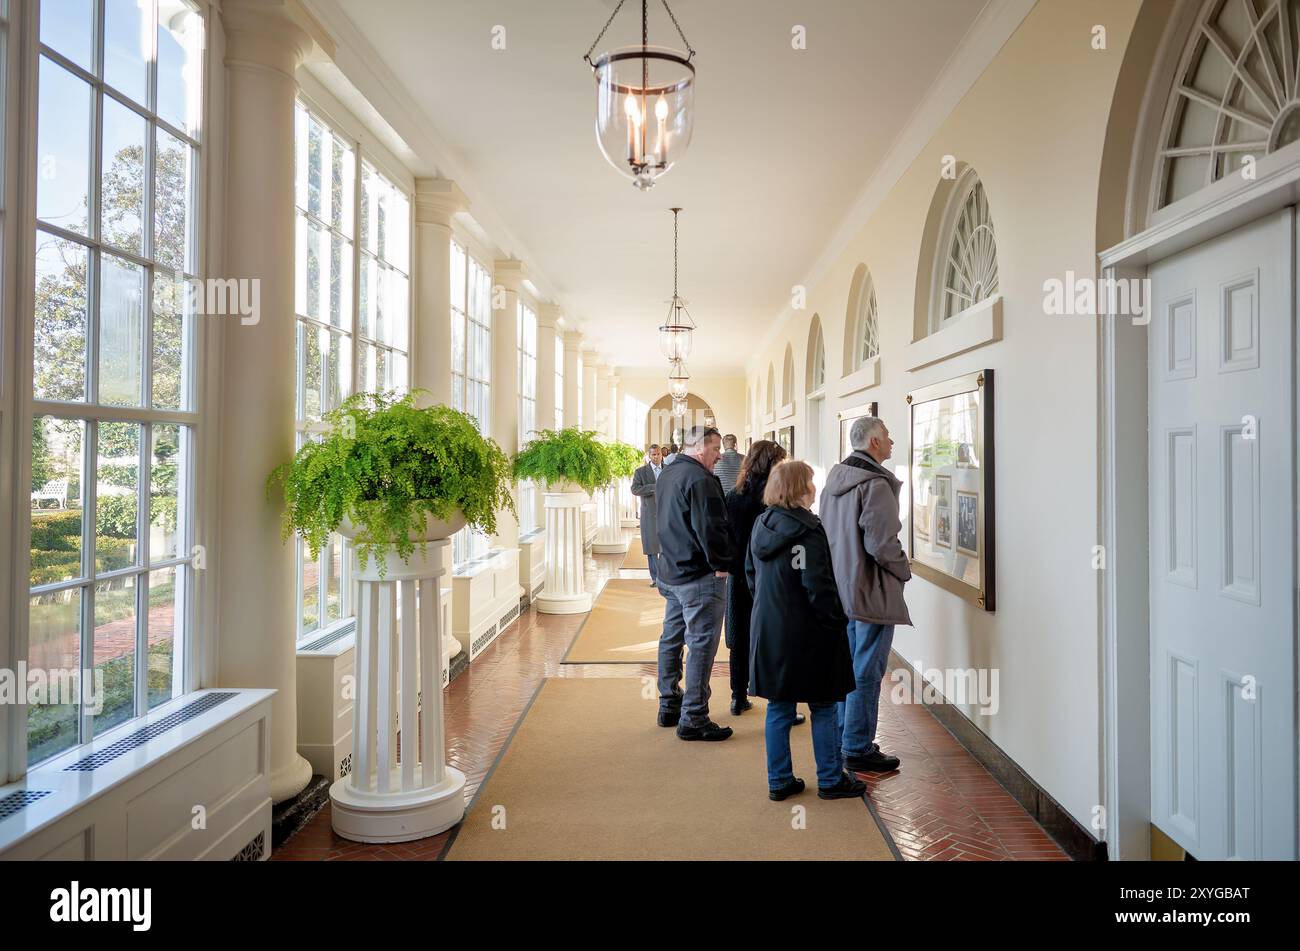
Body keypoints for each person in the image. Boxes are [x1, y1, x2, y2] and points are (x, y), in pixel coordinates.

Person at [746, 460, 866, 801]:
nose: (815, 487)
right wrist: (836, 621)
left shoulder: (762, 524)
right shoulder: (808, 530)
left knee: (779, 707)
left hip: (770, 627)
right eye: (811, 482)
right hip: (809, 632)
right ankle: (830, 779)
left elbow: (751, 574)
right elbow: (818, 587)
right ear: (800, 488)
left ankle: (779, 780)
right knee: (824, 705)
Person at [819, 416, 910, 773]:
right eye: (887, 436)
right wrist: (904, 569)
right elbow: (882, 544)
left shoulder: (834, 481)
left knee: (848, 667)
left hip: (841, 587)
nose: (891, 442)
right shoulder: (875, 485)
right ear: (873, 442)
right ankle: (857, 747)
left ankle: (845, 737)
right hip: (871, 590)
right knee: (867, 671)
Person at [653, 425, 736, 741]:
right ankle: (694, 718)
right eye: (716, 450)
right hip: (700, 577)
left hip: (671, 572)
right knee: (702, 644)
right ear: (701, 448)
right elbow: (710, 529)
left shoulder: (668, 474)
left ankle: (668, 703)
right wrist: (723, 565)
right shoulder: (701, 480)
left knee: (671, 637)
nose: (719, 456)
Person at [723, 439, 791, 716]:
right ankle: (780, 701)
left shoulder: (734, 495)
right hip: (771, 578)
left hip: (739, 575)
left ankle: (738, 696)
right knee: (777, 638)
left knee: (740, 639)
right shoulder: (776, 499)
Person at [630, 445, 664, 587]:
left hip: (667, 513)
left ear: (662, 454)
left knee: (667, 547)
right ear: (649, 456)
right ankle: (656, 578)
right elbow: (635, 489)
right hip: (649, 514)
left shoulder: (669, 469)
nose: (656, 457)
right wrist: (653, 487)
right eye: (653, 455)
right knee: (651, 548)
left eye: (658, 454)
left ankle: (665, 577)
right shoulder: (641, 472)